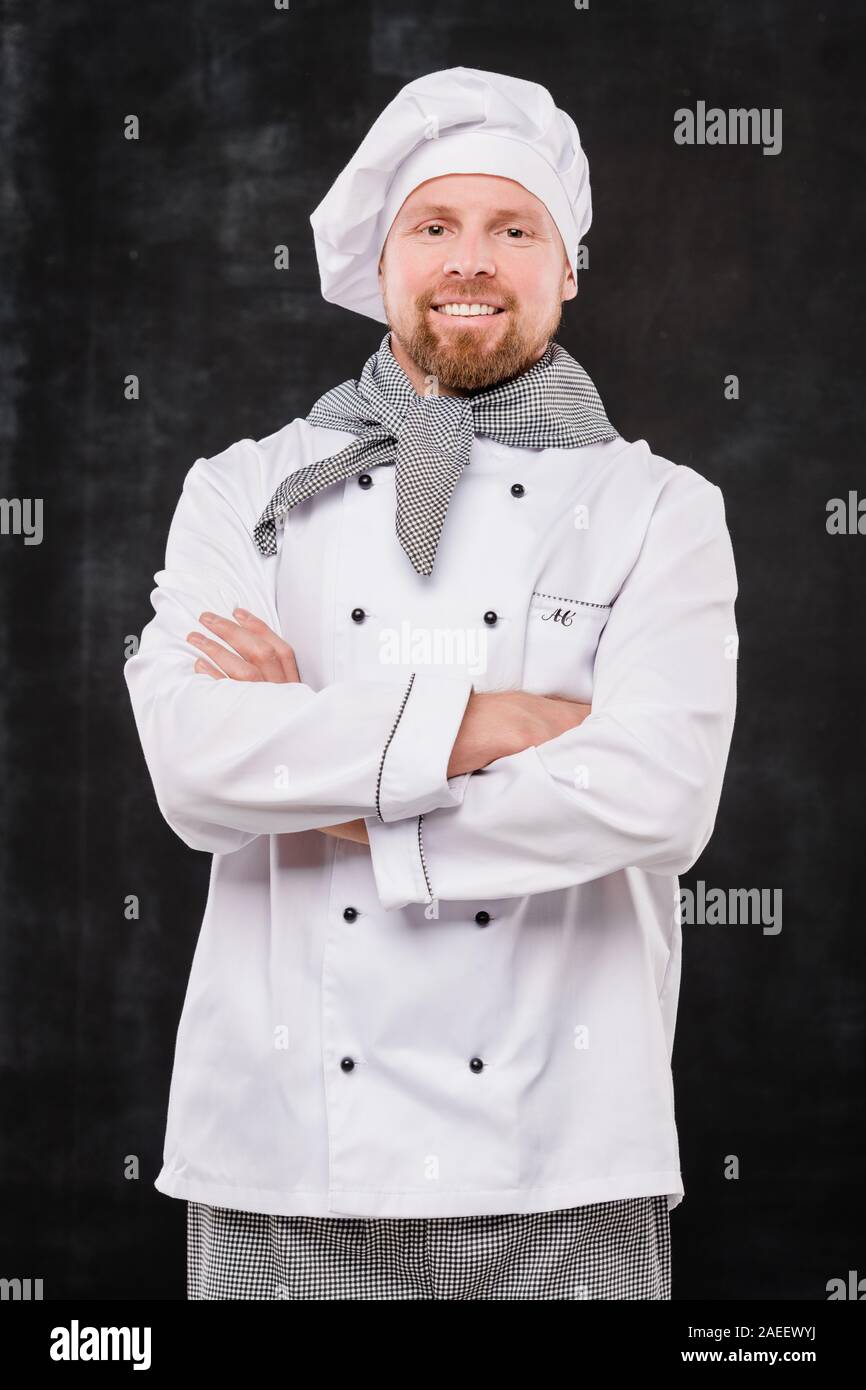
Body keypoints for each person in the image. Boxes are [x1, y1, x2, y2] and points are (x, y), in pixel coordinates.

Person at [124, 66, 738, 1301]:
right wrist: (487, 724)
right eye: (435, 226)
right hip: (283, 1159)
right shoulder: (244, 489)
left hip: (561, 1164)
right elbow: (195, 770)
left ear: (565, 266)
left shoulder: (657, 507)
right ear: (382, 262)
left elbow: (657, 799)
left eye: (513, 229)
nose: (471, 259)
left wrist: (329, 780)